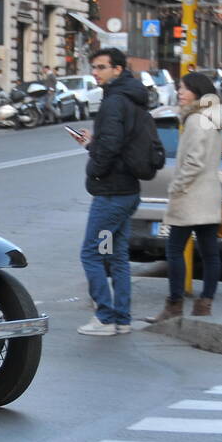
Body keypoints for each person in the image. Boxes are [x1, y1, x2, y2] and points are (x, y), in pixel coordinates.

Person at [75, 47, 149, 335]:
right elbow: (119, 142)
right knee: (116, 255)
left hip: (112, 192)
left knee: (91, 254)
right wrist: (95, 144)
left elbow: (111, 147)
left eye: (101, 67)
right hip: (128, 189)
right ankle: (122, 318)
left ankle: (104, 318)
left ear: (117, 69)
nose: (95, 72)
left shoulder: (114, 102)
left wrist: (93, 164)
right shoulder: (132, 98)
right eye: (94, 67)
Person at [148, 72, 222, 322]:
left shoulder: (195, 119)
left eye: (184, 88)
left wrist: (176, 187)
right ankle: (205, 304)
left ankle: (174, 304)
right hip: (209, 195)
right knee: (210, 253)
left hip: (191, 196)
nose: (179, 92)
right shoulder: (214, 117)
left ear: (197, 92)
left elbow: (193, 162)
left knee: (174, 250)